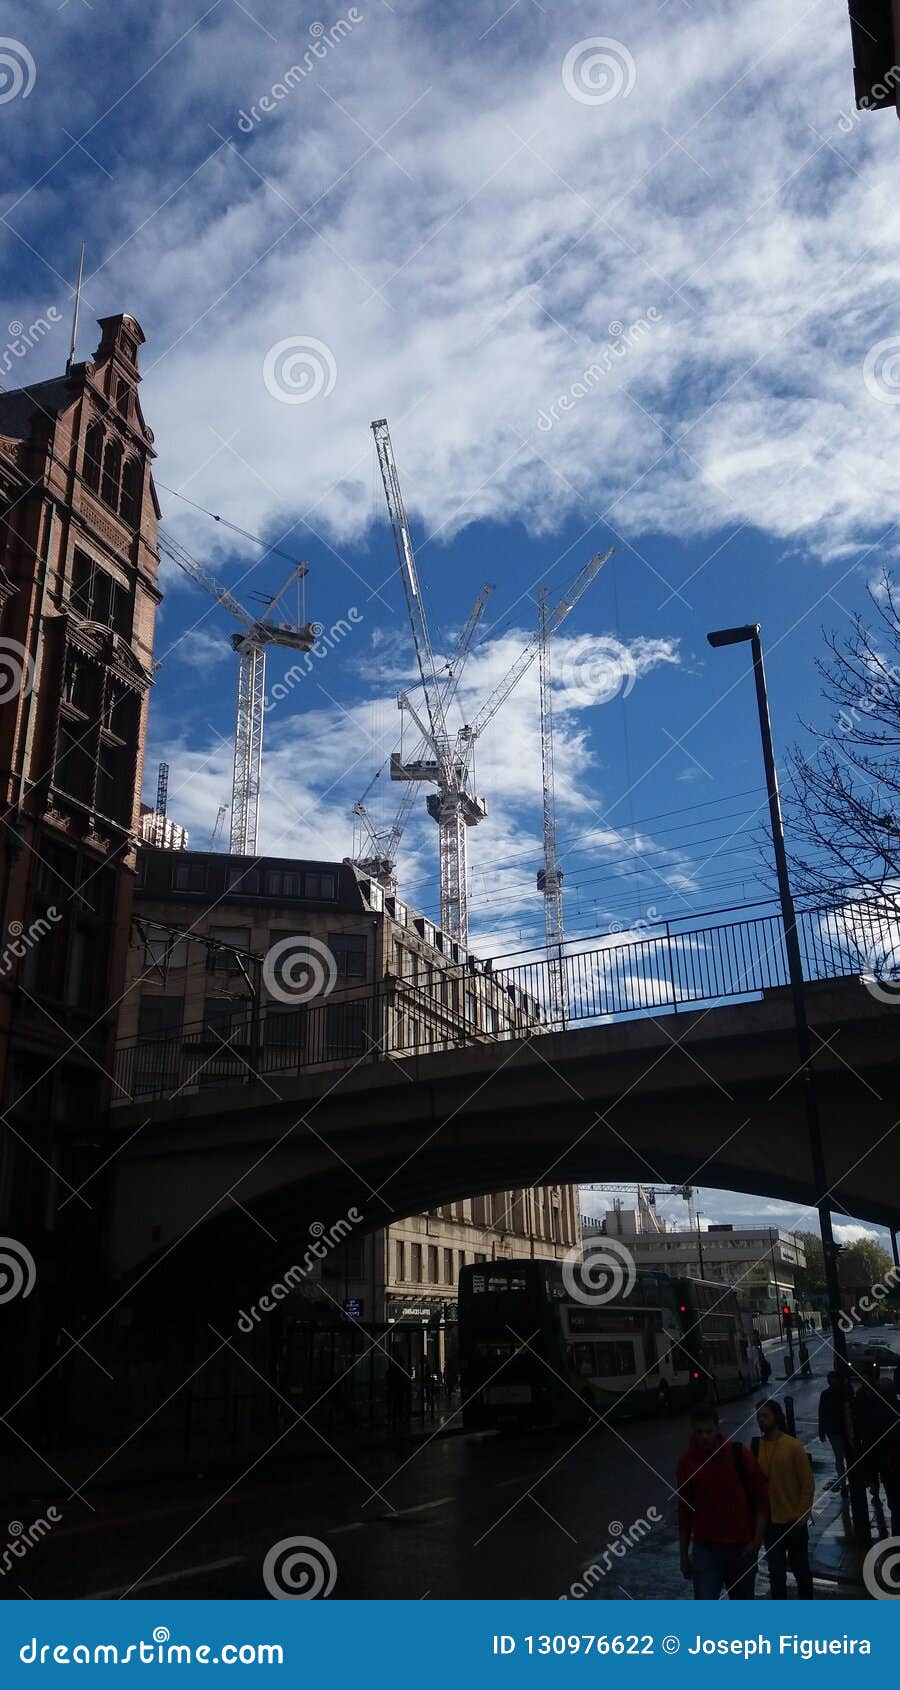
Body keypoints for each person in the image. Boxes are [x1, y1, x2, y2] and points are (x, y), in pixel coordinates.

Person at [676, 1404, 768, 1600]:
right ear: (693, 1431)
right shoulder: (686, 1463)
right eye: (699, 1432)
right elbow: (684, 1513)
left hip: (741, 1549)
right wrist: (683, 1555)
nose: (704, 1437)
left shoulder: (739, 1455)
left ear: (717, 1428)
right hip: (706, 1550)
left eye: (708, 1431)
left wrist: (756, 1541)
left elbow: (761, 1499)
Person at [754, 1399, 815, 1599]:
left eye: (765, 1416)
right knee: (776, 1575)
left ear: (777, 1418)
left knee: (802, 1573)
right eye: (759, 1416)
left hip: (793, 1521)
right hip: (771, 1524)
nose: (761, 1420)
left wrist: (801, 1516)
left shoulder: (793, 1446)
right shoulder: (755, 1447)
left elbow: (807, 1484)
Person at [818, 1371, 852, 1494]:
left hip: (839, 1430)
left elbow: (822, 1414)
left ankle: (844, 1482)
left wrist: (822, 1431)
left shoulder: (841, 1393)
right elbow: (822, 1414)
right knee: (840, 1457)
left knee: (841, 1457)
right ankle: (844, 1483)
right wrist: (822, 1431)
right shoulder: (830, 1394)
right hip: (835, 1430)